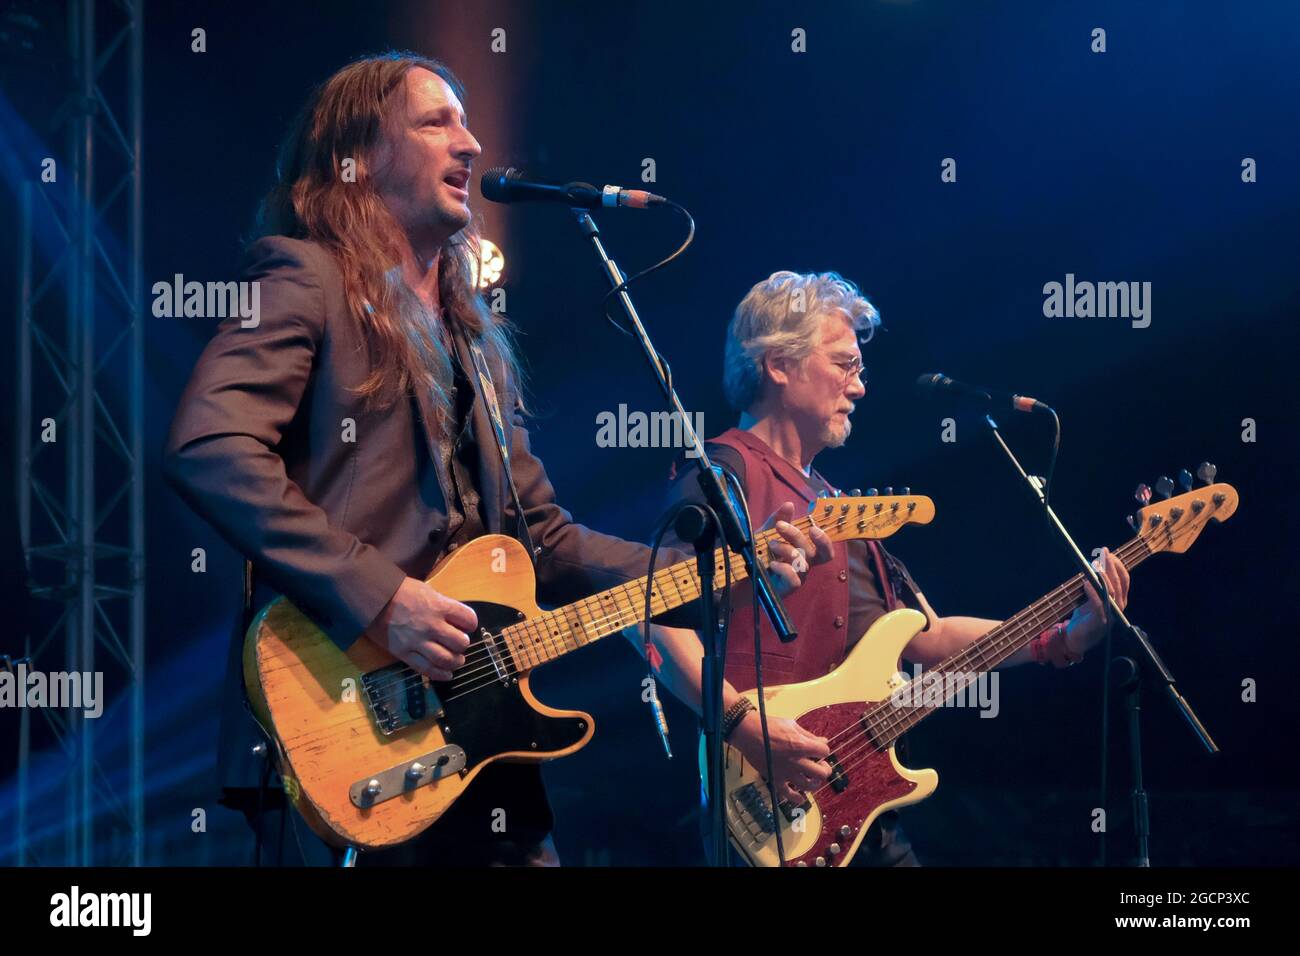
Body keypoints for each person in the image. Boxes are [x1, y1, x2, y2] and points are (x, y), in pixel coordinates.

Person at [162, 53, 821, 867]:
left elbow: (545, 538)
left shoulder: (474, 338)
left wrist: (712, 568)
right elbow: (209, 446)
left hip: (481, 744)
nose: (469, 143)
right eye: (436, 122)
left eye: (467, 121)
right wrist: (379, 598)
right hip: (344, 730)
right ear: (357, 158)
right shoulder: (307, 276)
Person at [632, 270, 1130, 866]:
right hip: (767, 812)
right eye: (844, 364)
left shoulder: (842, 507)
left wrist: (1061, 638)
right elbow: (648, 618)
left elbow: (927, 637)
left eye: (860, 369)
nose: (860, 387)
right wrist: (741, 721)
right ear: (778, 365)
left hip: (861, 810)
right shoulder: (720, 476)